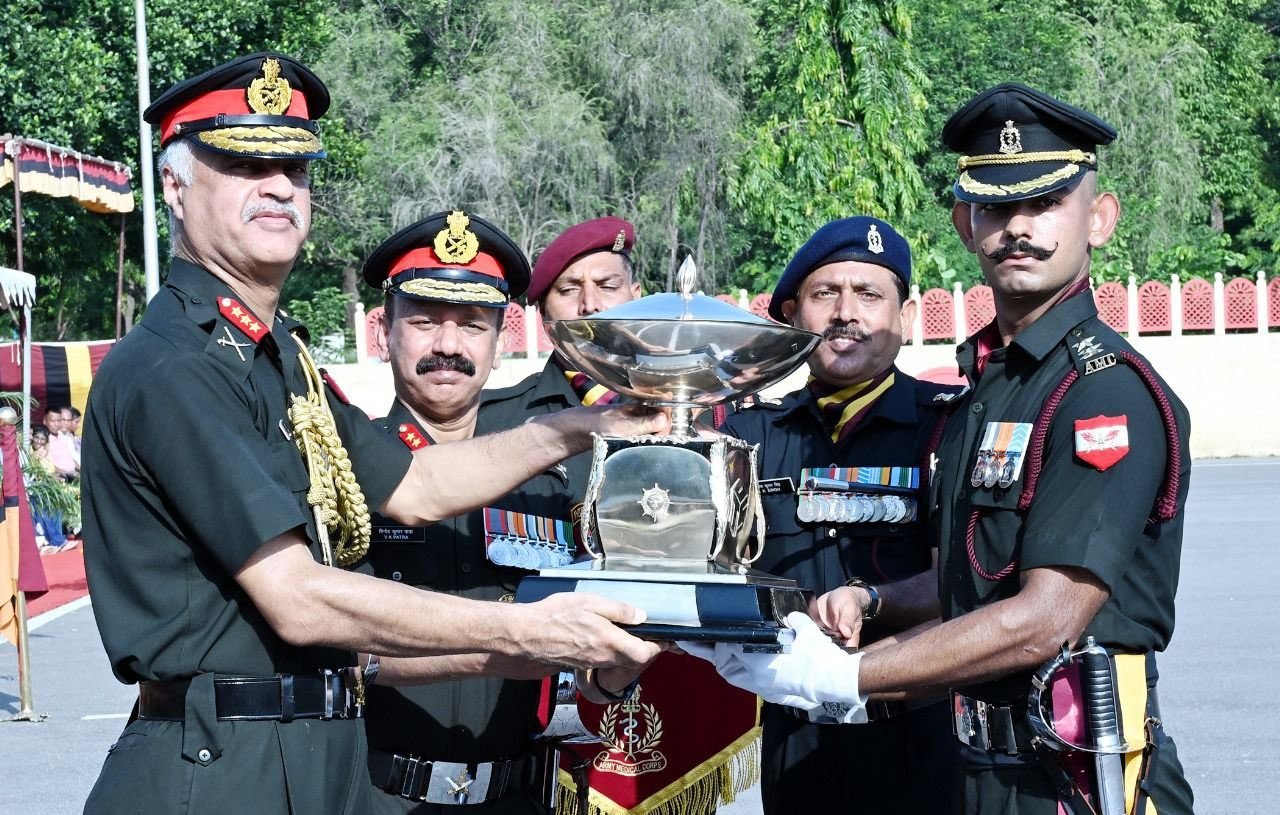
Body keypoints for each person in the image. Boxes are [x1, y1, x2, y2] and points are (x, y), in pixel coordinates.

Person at [80, 53, 667, 815]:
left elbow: (418, 483)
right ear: (174, 186)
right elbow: (298, 599)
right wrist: (527, 629)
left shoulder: (276, 356)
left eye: (295, 169)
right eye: (244, 165)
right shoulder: (178, 366)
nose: (278, 187)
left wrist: (587, 424)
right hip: (222, 763)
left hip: (312, 753)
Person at [691, 83, 1196, 815]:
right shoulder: (992, 389)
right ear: (966, 224)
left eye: (1046, 203)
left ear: (1100, 219)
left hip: (1077, 781)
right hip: (977, 773)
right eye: (995, 206)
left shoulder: (1100, 392)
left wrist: (844, 676)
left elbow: (1044, 618)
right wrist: (873, 600)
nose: (1018, 228)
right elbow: (973, 581)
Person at [479, 218, 760, 815]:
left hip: (692, 695)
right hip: (539, 718)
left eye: (607, 285)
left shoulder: (717, 416)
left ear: (637, 297)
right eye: (569, 290)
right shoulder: (502, 426)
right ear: (544, 315)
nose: (591, 304)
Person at [720, 216, 961, 814]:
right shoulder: (748, 435)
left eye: (869, 295)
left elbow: (964, 582)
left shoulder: (950, 427)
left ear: (906, 318)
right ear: (793, 316)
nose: (845, 313)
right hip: (795, 741)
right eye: (825, 293)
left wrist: (872, 600)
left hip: (920, 739)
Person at [356, 209, 561, 812]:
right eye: (424, 321)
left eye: (472, 325)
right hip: (379, 798)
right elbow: (333, 650)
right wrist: (513, 646)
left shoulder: (548, 484)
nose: (448, 346)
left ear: (501, 342)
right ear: (382, 333)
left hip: (518, 798)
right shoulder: (341, 473)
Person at [44, 405, 79, 479]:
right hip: (61, 478)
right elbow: (48, 465)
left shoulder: (62, 436)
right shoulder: (45, 439)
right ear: (45, 421)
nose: (56, 424)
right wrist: (68, 474)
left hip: (73, 475)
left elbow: (70, 458)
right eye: (53, 421)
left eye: (59, 421)